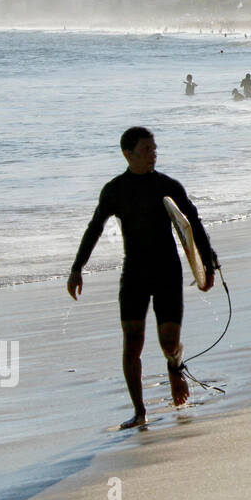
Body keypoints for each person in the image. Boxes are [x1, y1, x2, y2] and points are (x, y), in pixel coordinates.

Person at [67, 127, 218, 429]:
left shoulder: (168, 186)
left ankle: (175, 367)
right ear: (128, 153)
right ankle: (139, 411)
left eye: (155, 148)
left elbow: (193, 225)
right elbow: (94, 227)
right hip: (134, 272)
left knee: (168, 342)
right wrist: (77, 267)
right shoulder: (115, 190)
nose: (154, 154)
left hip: (167, 272)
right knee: (132, 344)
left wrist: (209, 262)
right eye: (147, 149)